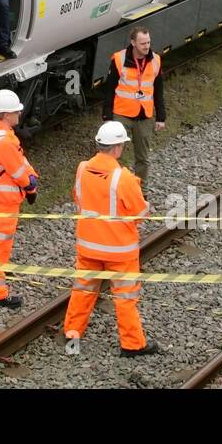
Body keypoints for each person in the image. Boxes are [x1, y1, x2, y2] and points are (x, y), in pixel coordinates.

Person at [63, 121, 158, 355]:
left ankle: (72, 336)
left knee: (82, 291)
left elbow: (78, 198)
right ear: (117, 148)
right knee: (125, 298)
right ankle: (133, 344)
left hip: (87, 247)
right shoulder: (123, 178)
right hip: (119, 252)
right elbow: (139, 213)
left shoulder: (82, 168)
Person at [0, 89, 38, 308]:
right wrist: (31, 186)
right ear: (5, 114)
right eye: (15, 111)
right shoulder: (4, 142)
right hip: (7, 199)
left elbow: (17, 162)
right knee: (1, 244)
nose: (19, 114)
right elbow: (18, 173)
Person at [102, 27, 166, 184]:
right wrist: (107, 116)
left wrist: (161, 117)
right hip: (121, 114)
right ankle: (113, 187)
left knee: (143, 158)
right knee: (113, 155)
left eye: (148, 42)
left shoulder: (156, 60)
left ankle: (140, 191)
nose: (147, 46)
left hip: (144, 116)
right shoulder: (119, 59)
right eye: (143, 43)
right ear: (133, 43)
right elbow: (109, 90)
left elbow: (158, 91)